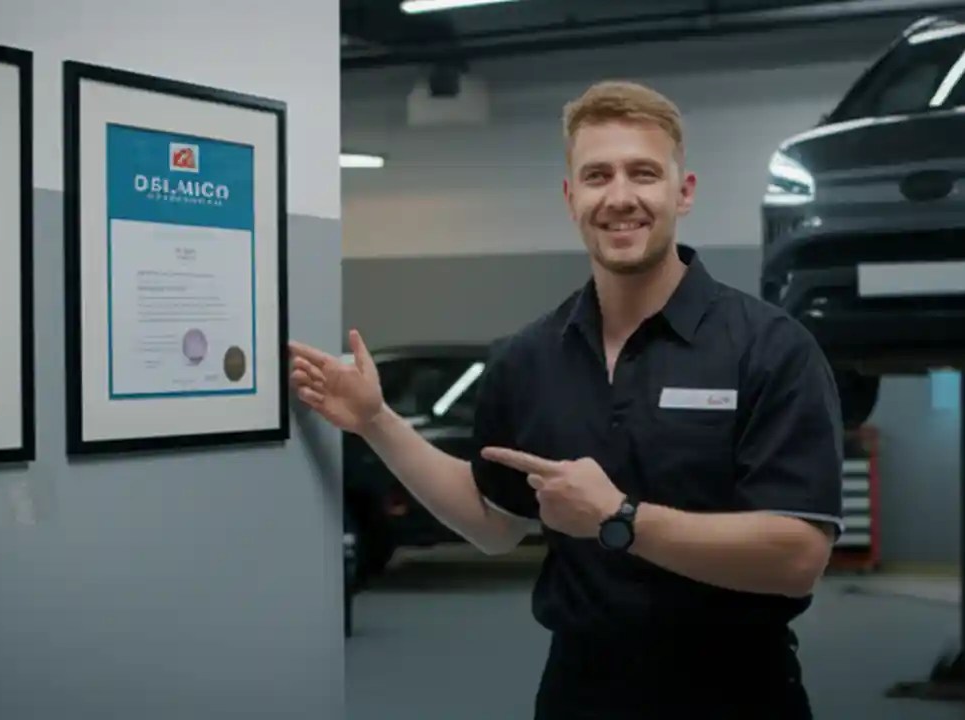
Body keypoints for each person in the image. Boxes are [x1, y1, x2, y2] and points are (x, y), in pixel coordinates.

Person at [289, 80, 844, 719]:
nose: (620, 197)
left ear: (682, 192)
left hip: (738, 693)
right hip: (579, 694)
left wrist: (622, 518)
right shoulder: (528, 358)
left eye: (643, 173)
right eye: (597, 175)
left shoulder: (770, 348)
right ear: (570, 196)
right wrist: (376, 421)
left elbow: (797, 557)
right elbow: (495, 523)